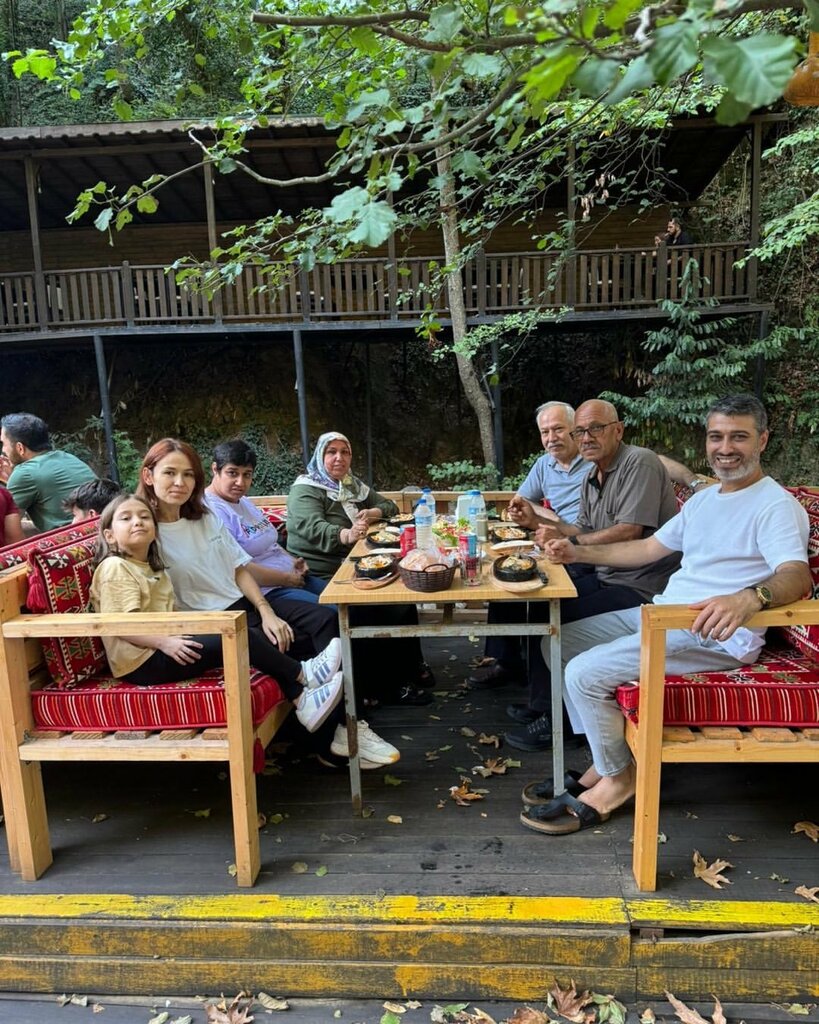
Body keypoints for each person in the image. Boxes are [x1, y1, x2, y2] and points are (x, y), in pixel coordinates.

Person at [520, 394, 810, 835]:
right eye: (716, 436)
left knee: (583, 672)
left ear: (763, 440)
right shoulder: (706, 500)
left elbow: (796, 574)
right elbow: (647, 548)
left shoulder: (775, 506)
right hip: (663, 614)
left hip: (714, 634)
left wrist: (751, 598)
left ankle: (619, 779)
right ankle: (608, 761)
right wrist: (577, 550)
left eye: (739, 437)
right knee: (557, 642)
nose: (725, 447)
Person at [136, 439, 398, 766]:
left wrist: (266, 609)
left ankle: (343, 727)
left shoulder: (202, 516)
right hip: (209, 620)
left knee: (327, 620)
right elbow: (124, 578)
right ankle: (332, 734)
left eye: (188, 475)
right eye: (170, 473)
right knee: (310, 632)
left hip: (244, 603)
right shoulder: (142, 526)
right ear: (148, 475)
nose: (180, 483)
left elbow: (238, 565)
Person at [503, 399, 681, 753]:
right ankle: (544, 706)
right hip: (607, 574)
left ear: (618, 430)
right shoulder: (592, 472)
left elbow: (630, 530)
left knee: (559, 618)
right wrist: (537, 523)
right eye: (580, 431)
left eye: (594, 428)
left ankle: (561, 724)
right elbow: (579, 527)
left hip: (641, 586)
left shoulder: (638, 462)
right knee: (543, 605)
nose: (585, 437)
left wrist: (573, 543)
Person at [286, 431, 434, 706]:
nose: (339, 458)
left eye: (345, 452)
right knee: (375, 607)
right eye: (332, 452)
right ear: (320, 456)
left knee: (404, 600)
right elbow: (309, 526)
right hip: (322, 571)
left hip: (356, 564)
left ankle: (412, 667)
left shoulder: (351, 485)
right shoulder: (306, 488)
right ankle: (386, 685)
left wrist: (374, 513)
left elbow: (387, 505)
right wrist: (346, 535)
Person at [468, 401, 585, 695]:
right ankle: (507, 663)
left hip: (583, 547)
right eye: (545, 432)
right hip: (550, 540)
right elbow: (521, 499)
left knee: (529, 590)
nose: (551, 438)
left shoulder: (595, 462)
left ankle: (539, 692)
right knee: (502, 575)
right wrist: (549, 517)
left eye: (558, 429)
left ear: (575, 429)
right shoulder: (544, 463)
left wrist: (553, 522)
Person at [205, 439, 326, 604]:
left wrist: (293, 561)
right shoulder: (211, 510)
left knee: (347, 600)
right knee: (333, 613)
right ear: (215, 469)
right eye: (232, 473)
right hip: (268, 591)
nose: (240, 482)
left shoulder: (244, 501)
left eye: (246, 474)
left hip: (292, 577)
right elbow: (238, 568)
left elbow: (270, 544)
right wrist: (286, 579)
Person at [0, 413, 96, 533]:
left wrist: (13, 479)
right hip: (98, 529)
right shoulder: (68, 457)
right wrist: (11, 479)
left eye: (3, 444)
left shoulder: (24, 473)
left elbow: (5, 526)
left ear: (20, 448)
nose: (3, 450)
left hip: (71, 540)